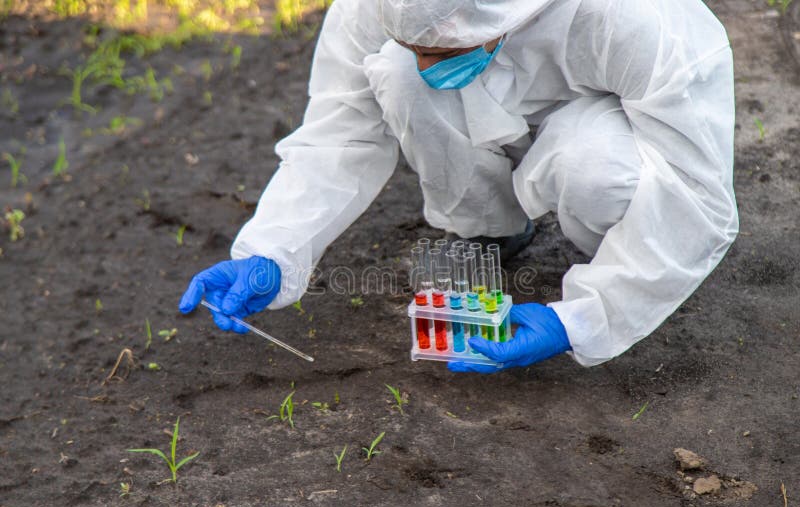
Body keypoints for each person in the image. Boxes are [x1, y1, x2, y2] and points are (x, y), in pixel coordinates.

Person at [179, 0, 738, 373]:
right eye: (414, 44)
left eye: (441, 53)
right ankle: (490, 230)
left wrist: (582, 316)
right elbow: (339, 132)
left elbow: (695, 193)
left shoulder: (640, 19)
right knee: (396, 78)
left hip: (605, 129)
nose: (426, 64)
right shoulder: (379, 7)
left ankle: (616, 258)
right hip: (499, 107)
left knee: (594, 166)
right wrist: (272, 249)